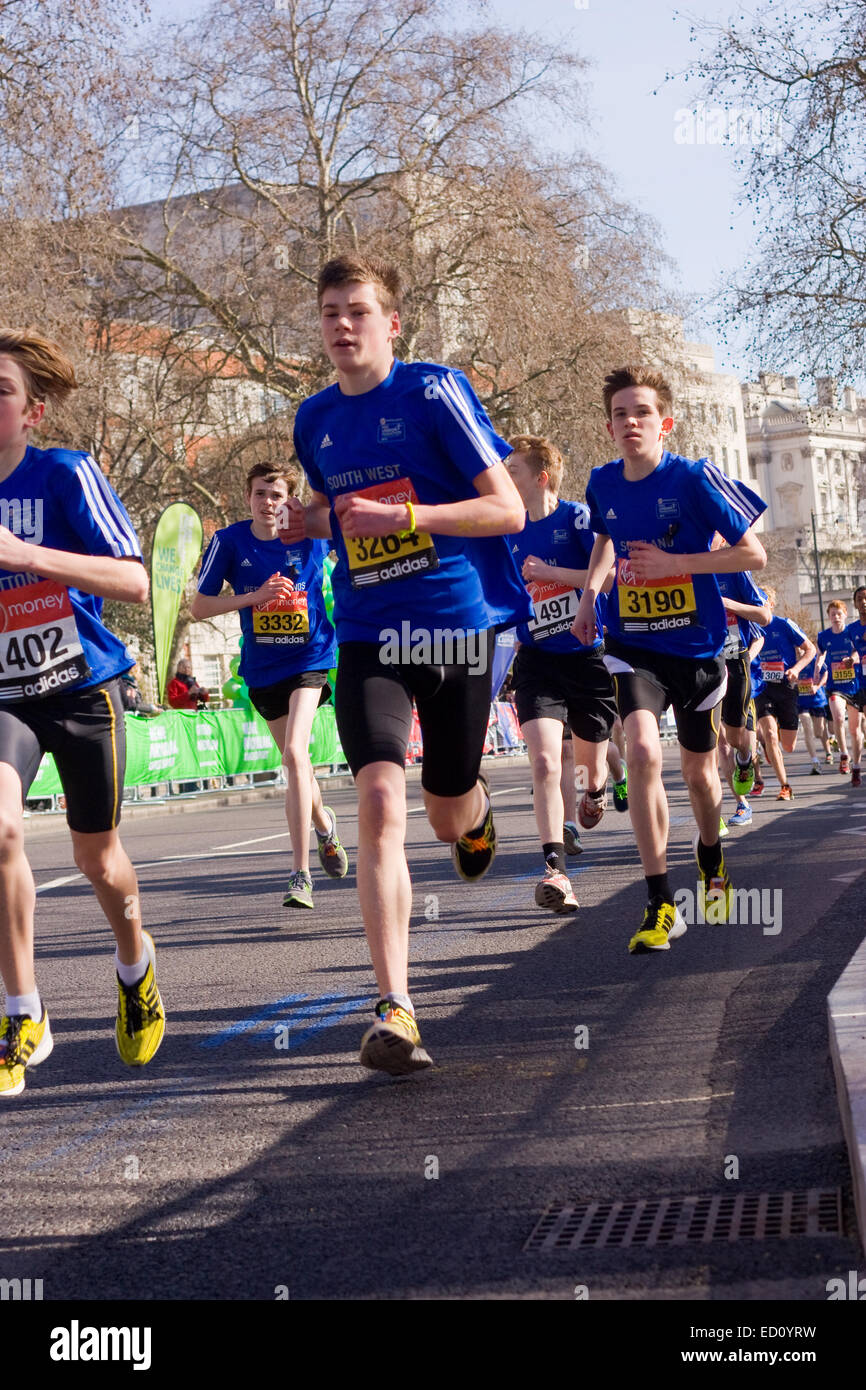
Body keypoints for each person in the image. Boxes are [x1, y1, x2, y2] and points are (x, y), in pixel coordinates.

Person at [283, 253, 530, 1074]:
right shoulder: (312, 419)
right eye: (330, 312)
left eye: (358, 311)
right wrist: (305, 523)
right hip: (368, 634)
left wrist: (409, 513)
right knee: (379, 799)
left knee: (444, 809)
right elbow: (339, 520)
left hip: (454, 630)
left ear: (392, 324)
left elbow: (507, 508)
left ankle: (475, 806)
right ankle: (395, 1006)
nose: (343, 325)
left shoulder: (432, 391)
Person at [0, 329, 164, 1097]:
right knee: (0, 829)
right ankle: (23, 1011)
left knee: (97, 860)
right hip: (5, 698)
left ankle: (135, 964)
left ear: (32, 412)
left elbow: (135, 582)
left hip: (82, 687)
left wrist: (29, 556)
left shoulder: (64, 475)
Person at [571, 364, 766, 953]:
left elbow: (752, 555)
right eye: (621, 415)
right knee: (642, 750)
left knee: (702, 778)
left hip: (699, 648)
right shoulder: (602, 483)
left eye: (643, 413)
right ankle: (659, 903)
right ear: (608, 428)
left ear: (666, 423)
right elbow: (605, 536)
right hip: (634, 645)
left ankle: (711, 860)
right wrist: (589, 595)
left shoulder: (695, 478)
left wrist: (677, 565)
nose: (631, 422)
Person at [191, 461, 346, 909]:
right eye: (260, 494)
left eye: (277, 495)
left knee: (296, 754)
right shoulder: (229, 541)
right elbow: (199, 607)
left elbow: (356, 555)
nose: (268, 503)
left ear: (290, 500)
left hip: (311, 659)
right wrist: (254, 597)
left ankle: (300, 875)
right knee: (295, 764)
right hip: (262, 669)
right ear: (248, 497)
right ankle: (324, 825)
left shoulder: (312, 535)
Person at [505, 435, 617, 914]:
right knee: (547, 764)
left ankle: (595, 790)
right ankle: (555, 870)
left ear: (540, 477)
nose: (504, 478)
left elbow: (609, 576)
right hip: (536, 661)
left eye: (513, 471)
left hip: (585, 654)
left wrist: (549, 570)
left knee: (589, 765)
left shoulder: (574, 517)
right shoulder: (506, 527)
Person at [753, 589, 816, 801]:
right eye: (755, 601)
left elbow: (810, 650)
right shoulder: (750, 628)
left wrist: (796, 669)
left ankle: (773, 740)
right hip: (762, 687)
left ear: (771, 604)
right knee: (770, 734)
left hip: (786, 686)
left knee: (787, 745)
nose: (758, 605)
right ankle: (785, 786)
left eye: (762, 601)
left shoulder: (784, 624)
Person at [817, 599, 856, 775]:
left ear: (845, 614)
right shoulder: (824, 636)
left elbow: (859, 651)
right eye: (833, 614)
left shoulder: (852, 632)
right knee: (839, 717)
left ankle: (857, 752)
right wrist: (818, 666)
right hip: (835, 686)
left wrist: (852, 659)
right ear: (829, 617)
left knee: (858, 729)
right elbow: (820, 654)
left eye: (839, 613)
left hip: (855, 685)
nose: (836, 617)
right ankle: (844, 755)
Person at [842, 586, 866, 787]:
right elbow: (854, 652)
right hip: (857, 685)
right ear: (855, 604)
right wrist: (851, 659)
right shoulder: (851, 629)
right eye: (860, 599)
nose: (864, 602)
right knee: (854, 729)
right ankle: (856, 766)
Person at [796, 654, 832, 772]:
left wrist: (817, 686)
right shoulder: (792, 660)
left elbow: (826, 673)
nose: (798, 651)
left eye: (800, 648)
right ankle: (815, 761)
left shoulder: (814, 659)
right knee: (806, 726)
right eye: (796, 649)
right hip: (801, 701)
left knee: (819, 732)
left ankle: (828, 752)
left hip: (817, 699)